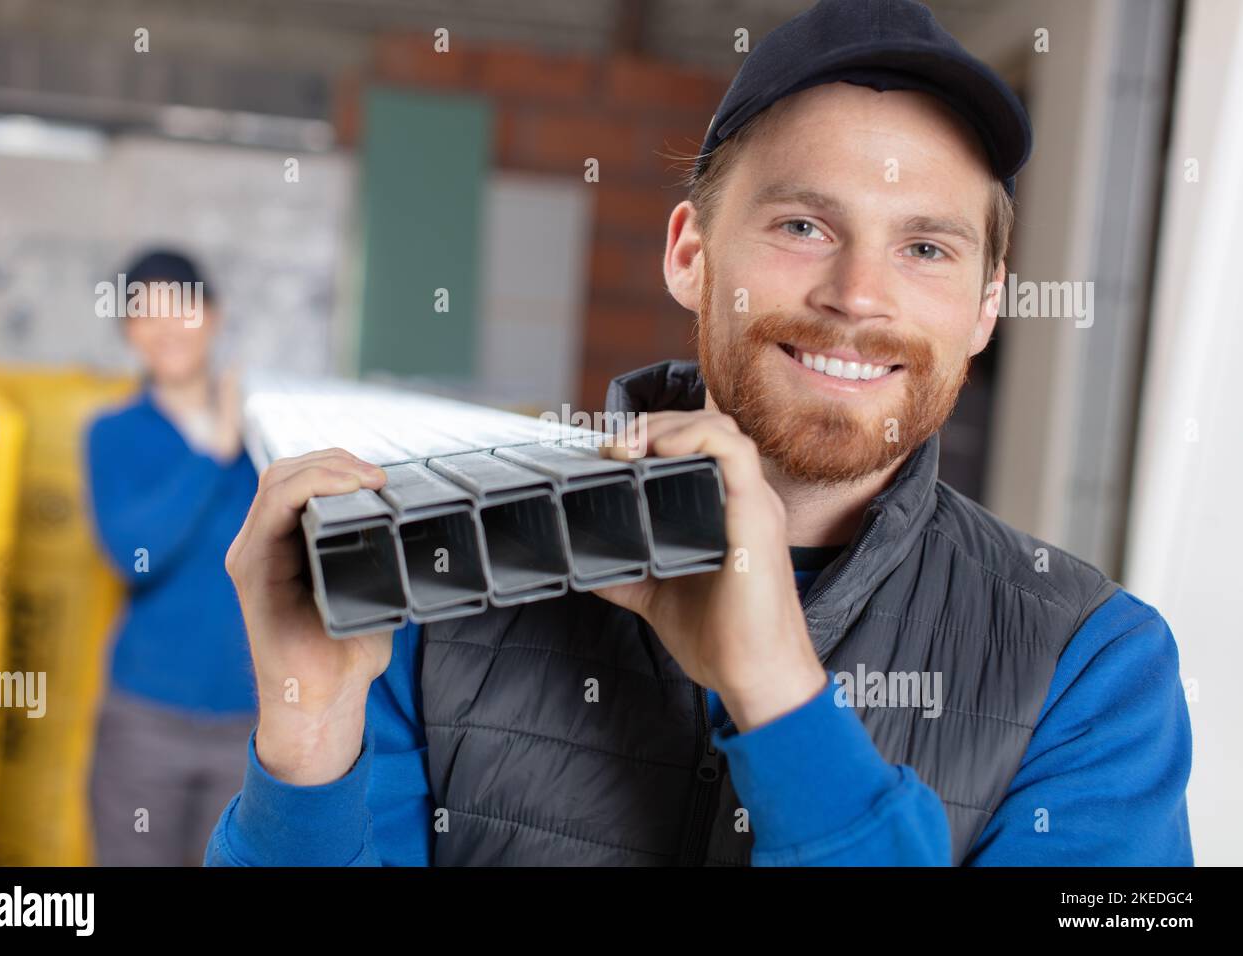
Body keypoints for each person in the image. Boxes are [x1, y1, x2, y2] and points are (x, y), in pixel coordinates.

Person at [206, 0, 1192, 866]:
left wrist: (776, 691)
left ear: (985, 308)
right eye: (803, 225)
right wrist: (306, 734)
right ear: (690, 253)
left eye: (925, 247)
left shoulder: (1092, 666)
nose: (856, 296)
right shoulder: (432, 572)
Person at [85, 250, 258, 866]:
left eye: (181, 309)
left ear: (212, 316)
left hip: (253, 724)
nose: (165, 327)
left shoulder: (268, 435)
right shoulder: (114, 433)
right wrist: (212, 451)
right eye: (144, 313)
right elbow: (136, 557)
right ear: (129, 331)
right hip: (146, 720)